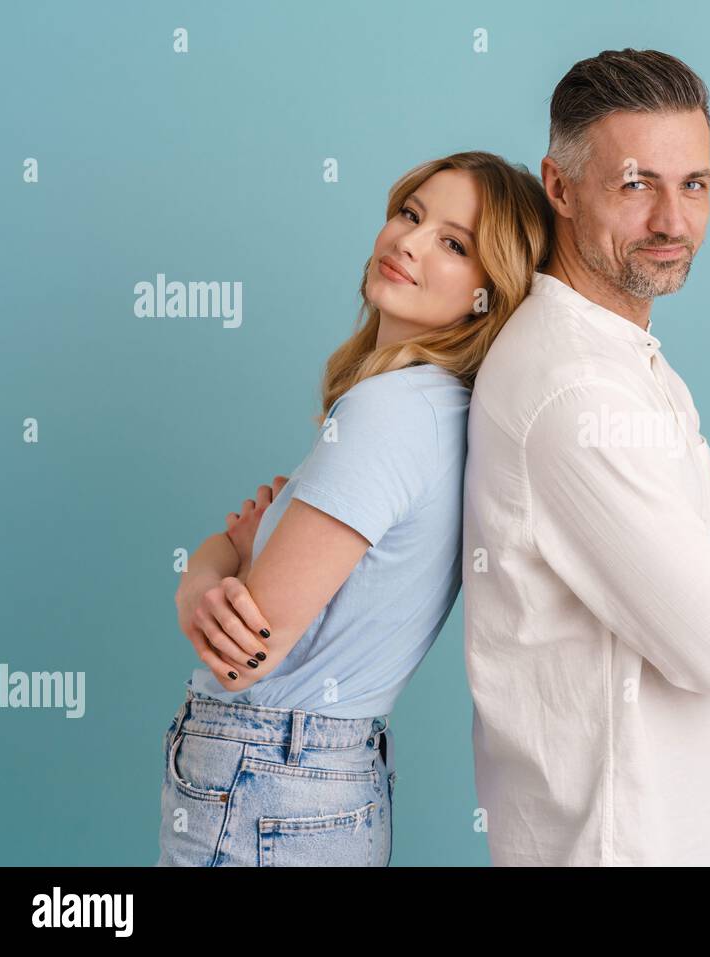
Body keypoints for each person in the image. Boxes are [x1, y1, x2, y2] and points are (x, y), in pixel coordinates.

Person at [157, 152, 551, 866]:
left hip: (266, 770)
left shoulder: (388, 413)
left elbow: (244, 652)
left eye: (454, 244)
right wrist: (241, 562)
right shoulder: (442, 409)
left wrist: (209, 566)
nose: (409, 241)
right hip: (318, 779)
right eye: (411, 213)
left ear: (487, 296)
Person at [463, 50, 710, 866]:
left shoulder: (627, 361)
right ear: (562, 186)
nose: (672, 222)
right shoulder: (577, 393)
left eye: (695, 185)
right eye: (638, 184)